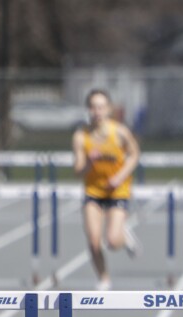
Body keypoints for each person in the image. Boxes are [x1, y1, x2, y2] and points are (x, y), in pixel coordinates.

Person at [72, 89, 141, 291]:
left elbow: (134, 155)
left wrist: (120, 177)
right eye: (93, 107)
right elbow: (77, 170)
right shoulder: (81, 136)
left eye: (101, 107)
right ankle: (103, 278)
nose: (97, 111)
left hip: (117, 190)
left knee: (112, 241)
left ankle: (124, 236)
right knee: (94, 240)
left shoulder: (119, 132)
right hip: (93, 190)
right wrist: (89, 163)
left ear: (108, 109)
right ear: (88, 109)